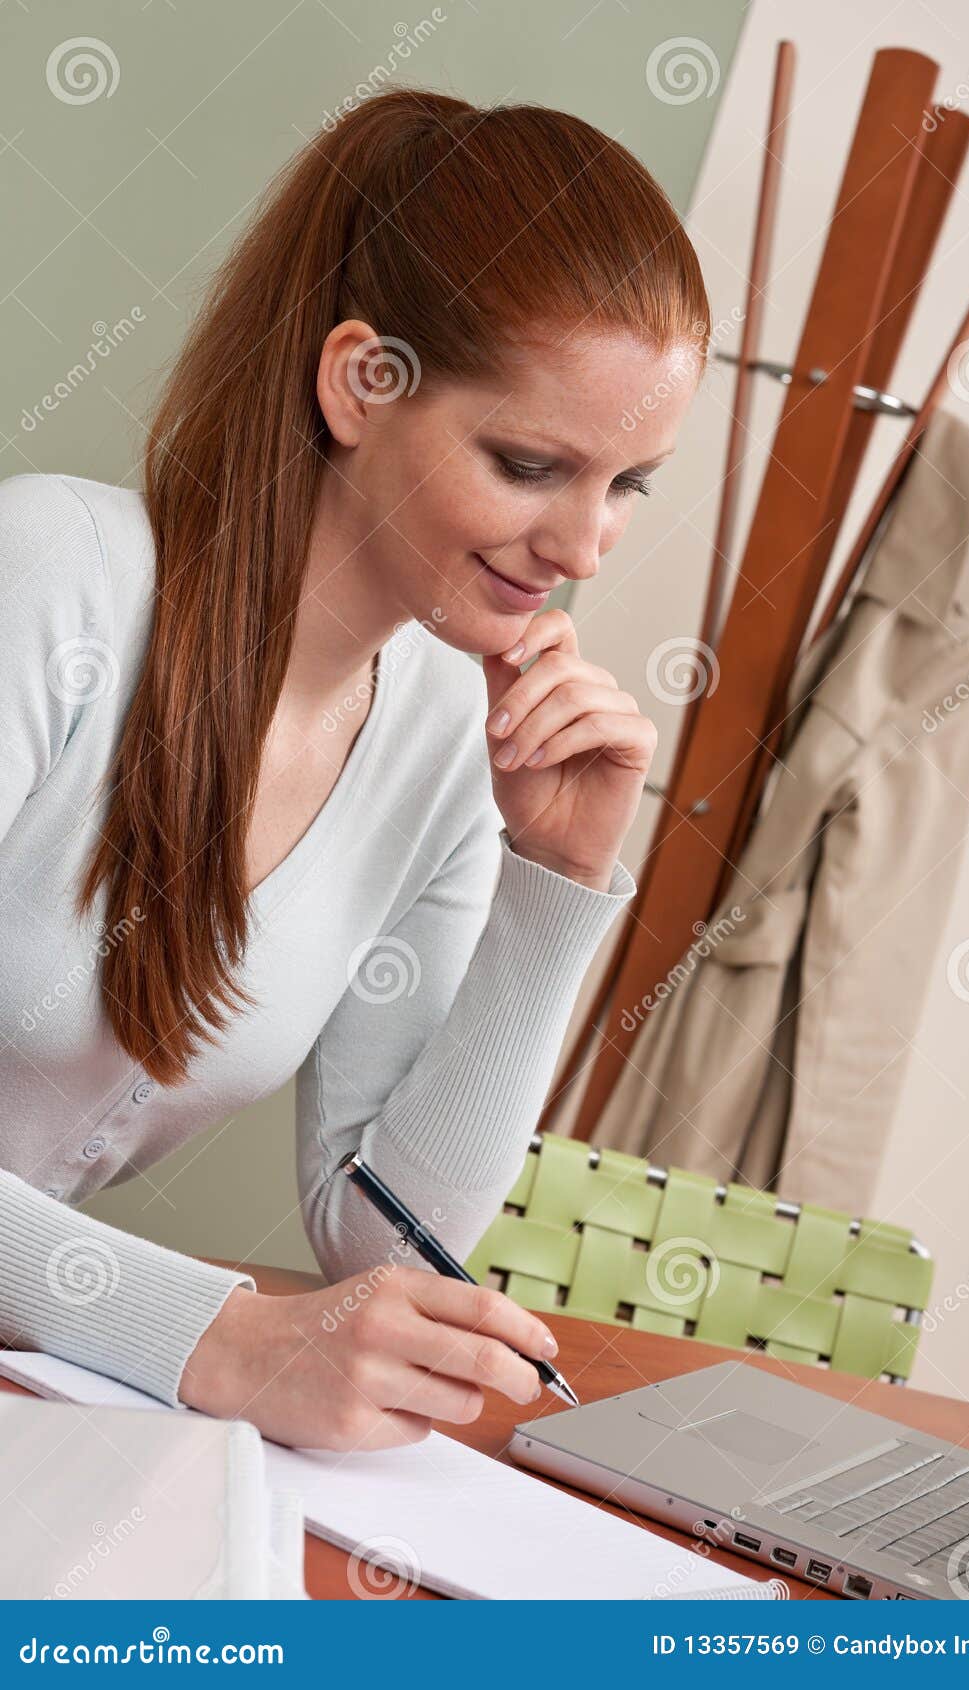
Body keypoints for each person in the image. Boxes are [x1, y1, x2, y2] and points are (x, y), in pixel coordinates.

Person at [0, 87, 709, 1451]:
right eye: (529, 464)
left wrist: (554, 883)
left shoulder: (450, 735)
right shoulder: (51, 585)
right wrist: (214, 1338)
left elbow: (387, 1237)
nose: (585, 547)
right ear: (358, 383)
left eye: (629, 484)